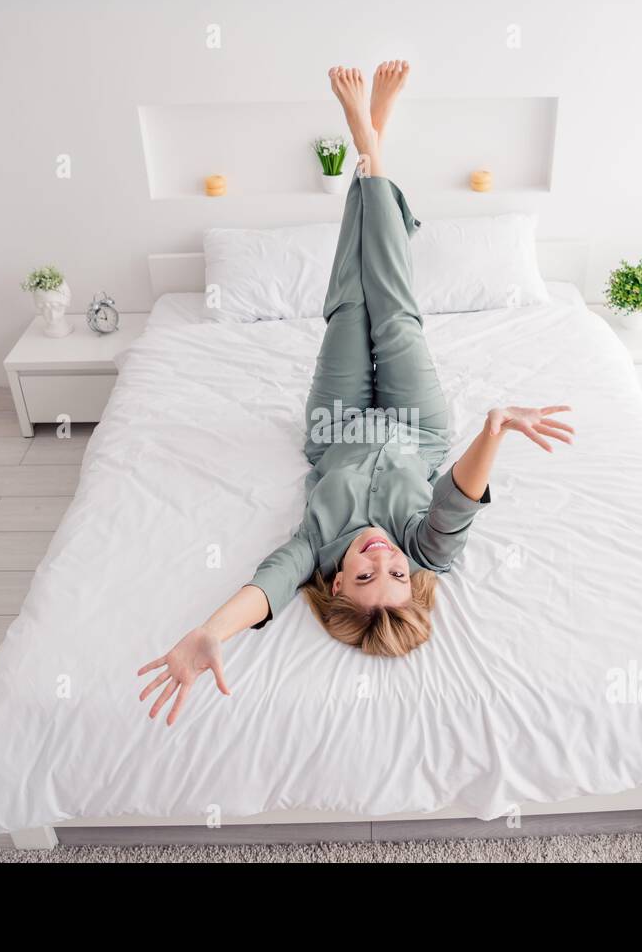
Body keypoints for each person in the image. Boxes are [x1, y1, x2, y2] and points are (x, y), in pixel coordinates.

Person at [138, 62, 572, 725]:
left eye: (366, 578)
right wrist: (493, 430)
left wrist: (211, 633)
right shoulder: (430, 551)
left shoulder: (315, 547)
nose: (382, 562)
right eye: (395, 576)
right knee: (393, 312)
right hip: (418, 427)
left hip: (335, 427)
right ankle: (370, 143)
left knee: (348, 306)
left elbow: (266, 591)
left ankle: (371, 145)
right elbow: (459, 497)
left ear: (336, 584)